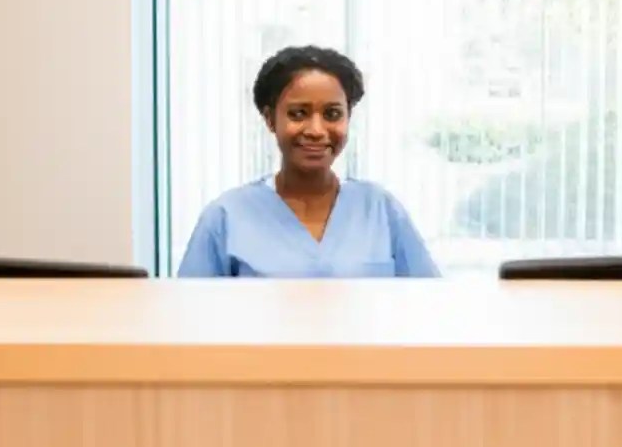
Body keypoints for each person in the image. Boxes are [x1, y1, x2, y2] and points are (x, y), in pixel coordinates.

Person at [177, 45, 440, 278]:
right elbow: (188, 311)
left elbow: (430, 304)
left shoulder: (380, 211)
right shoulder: (226, 217)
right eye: (298, 114)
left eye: (332, 114)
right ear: (270, 119)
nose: (316, 130)